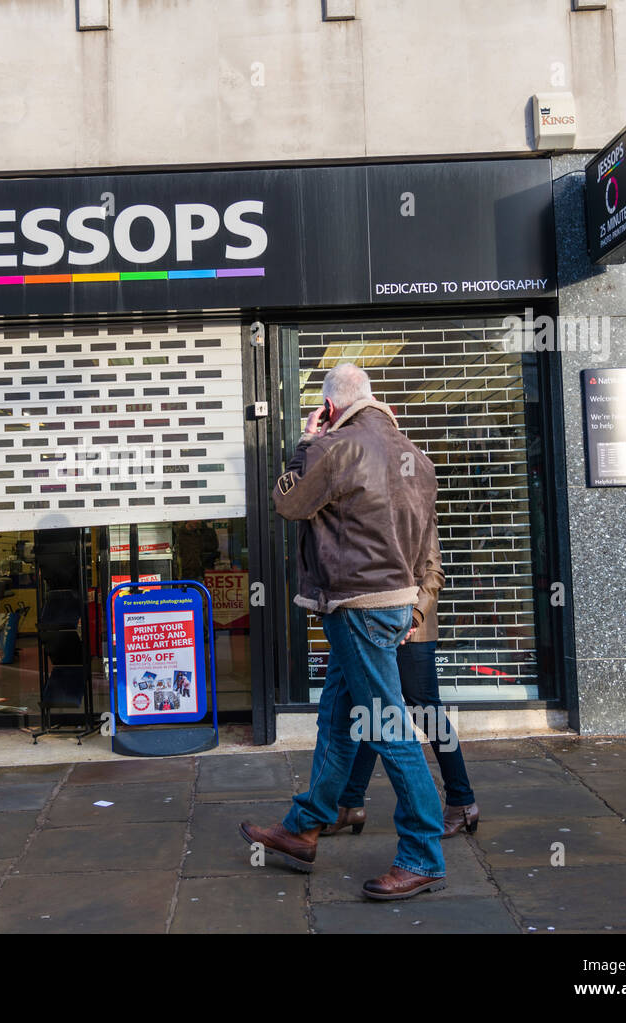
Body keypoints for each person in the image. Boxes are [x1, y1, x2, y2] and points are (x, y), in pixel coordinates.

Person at [239, 363, 446, 900]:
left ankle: (423, 856)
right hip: (393, 604)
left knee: (387, 730)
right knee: (336, 719)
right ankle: (304, 826)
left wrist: (306, 442)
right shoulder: (416, 458)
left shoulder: (332, 448)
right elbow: (427, 549)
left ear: (329, 407)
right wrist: (415, 610)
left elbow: (288, 503)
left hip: (355, 606)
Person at [320, 532, 481, 839]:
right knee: (375, 711)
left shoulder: (417, 503)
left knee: (427, 714)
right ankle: (350, 803)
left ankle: (462, 802)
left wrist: (414, 618)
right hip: (377, 628)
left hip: (413, 633)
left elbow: (434, 573)